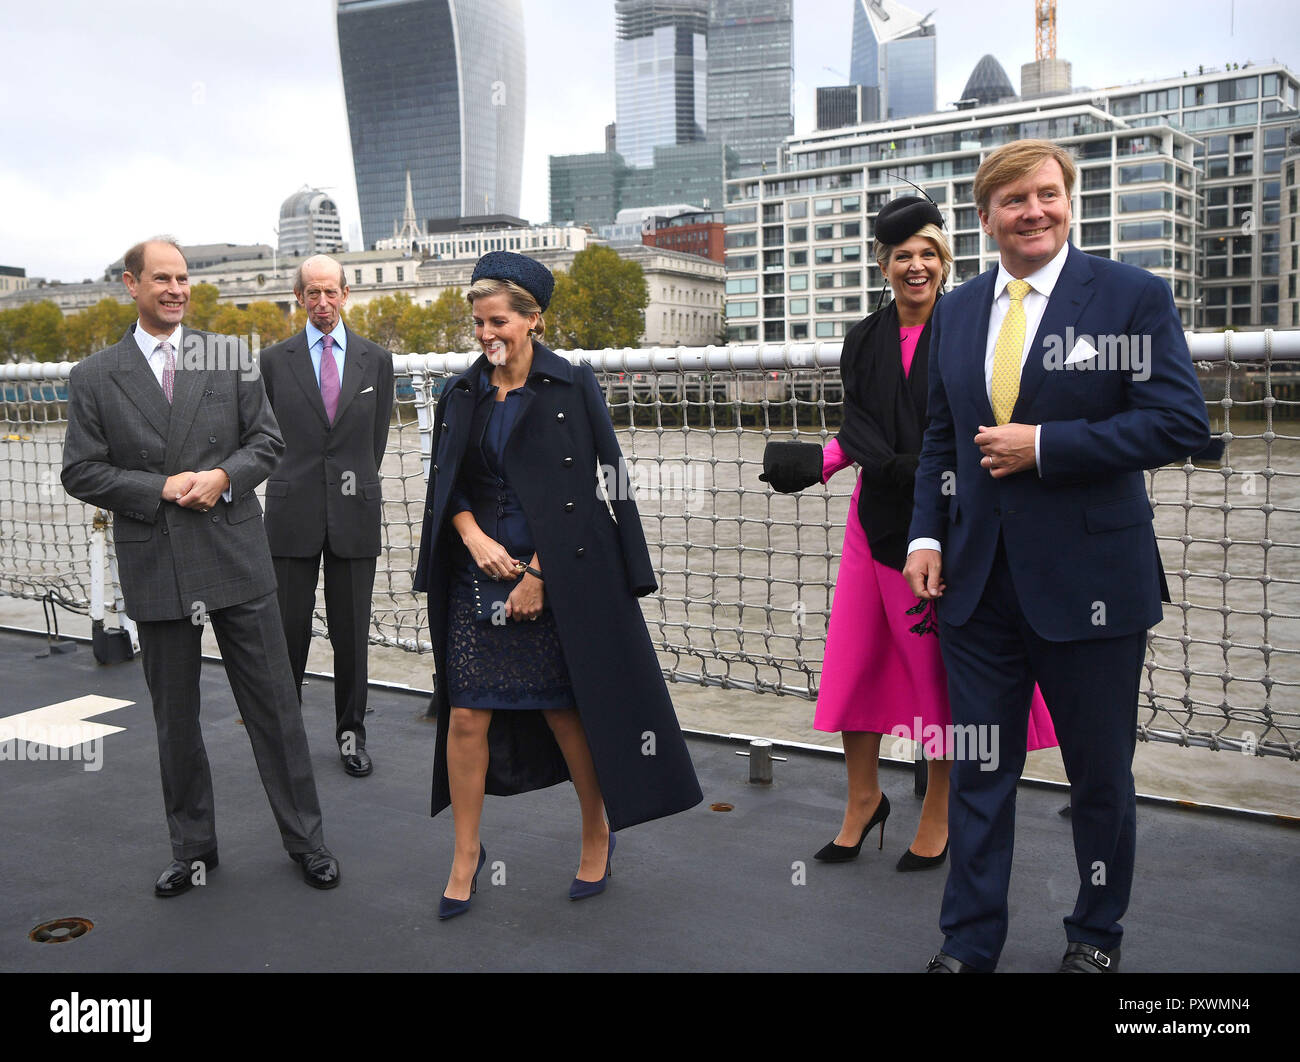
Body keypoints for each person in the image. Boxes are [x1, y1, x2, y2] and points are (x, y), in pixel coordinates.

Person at [904, 140, 1210, 972]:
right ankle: (967, 947)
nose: (1032, 211)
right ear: (985, 217)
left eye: (1047, 194)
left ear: (1069, 201)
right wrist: (925, 535)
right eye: (1013, 200)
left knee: (1100, 780)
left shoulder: (1128, 297)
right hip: (974, 589)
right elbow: (941, 438)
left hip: (1092, 586)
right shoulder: (960, 310)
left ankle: (1095, 937)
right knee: (977, 776)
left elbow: (1181, 423)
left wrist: (1047, 445)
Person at [765, 199, 1056, 871]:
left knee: (936, 681)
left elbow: (972, 426)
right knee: (853, 664)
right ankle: (862, 799)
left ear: (944, 260)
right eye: (902, 256)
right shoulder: (863, 337)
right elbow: (860, 429)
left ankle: (939, 806)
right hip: (872, 523)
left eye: (928, 252)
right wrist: (822, 464)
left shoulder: (973, 328)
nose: (915, 266)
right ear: (884, 266)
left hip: (943, 526)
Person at [412, 251, 701, 919]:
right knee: (464, 716)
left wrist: (545, 573)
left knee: (569, 716)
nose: (487, 336)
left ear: (533, 320)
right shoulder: (460, 393)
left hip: (557, 573)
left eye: (499, 322)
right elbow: (444, 487)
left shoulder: (573, 385)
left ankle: (597, 833)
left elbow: (608, 480)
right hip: (475, 574)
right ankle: (465, 853)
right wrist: (472, 536)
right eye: (479, 324)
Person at [61, 239, 340, 894]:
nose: (176, 289)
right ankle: (193, 850)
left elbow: (266, 443)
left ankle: (308, 842)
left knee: (275, 706)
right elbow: (79, 469)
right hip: (157, 561)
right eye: (162, 278)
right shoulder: (94, 377)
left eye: (183, 278)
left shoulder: (228, 356)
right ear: (131, 284)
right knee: (175, 722)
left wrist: (221, 477)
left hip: (235, 553)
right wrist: (155, 489)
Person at [259, 255, 394, 778]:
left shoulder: (375, 360)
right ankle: (285, 738)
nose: (322, 302)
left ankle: (350, 733)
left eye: (330, 292)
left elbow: (373, 442)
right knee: (286, 632)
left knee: (352, 635)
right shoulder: (273, 361)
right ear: (299, 297)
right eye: (311, 293)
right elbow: (264, 440)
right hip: (291, 515)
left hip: (354, 513)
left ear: (345, 294)